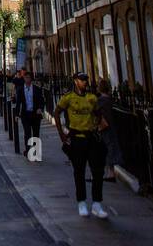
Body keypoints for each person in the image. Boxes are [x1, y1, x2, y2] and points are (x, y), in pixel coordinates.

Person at [53, 71, 108, 218]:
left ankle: (97, 203)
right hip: (76, 137)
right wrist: (61, 134)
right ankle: (81, 202)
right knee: (79, 171)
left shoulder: (92, 98)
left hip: (91, 137)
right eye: (82, 80)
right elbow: (57, 112)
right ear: (75, 81)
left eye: (86, 80)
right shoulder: (69, 98)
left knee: (97, 171)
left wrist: (97, 125)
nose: (85, 82)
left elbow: (98, 114)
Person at [95, 78, 121, 181]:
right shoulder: (110, 99)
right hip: (111, 126)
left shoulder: (101, 100)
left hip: (104, 127)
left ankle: (110, 174)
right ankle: (111, 172)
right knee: (110, 147)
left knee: (107, 149)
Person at [14, 70, 44, 153]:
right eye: (26, 77)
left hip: (35, 114)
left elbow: (42, 101)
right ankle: (28, 151)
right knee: (27, 133)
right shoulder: (20, 90)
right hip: (25, 114)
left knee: (36, 134)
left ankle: (36, 152)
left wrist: (40, 108)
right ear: (24, 78)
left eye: (28, 78)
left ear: (31, 79)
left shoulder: (36, 89)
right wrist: (16, 114)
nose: (27, 79)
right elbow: (18, 103)